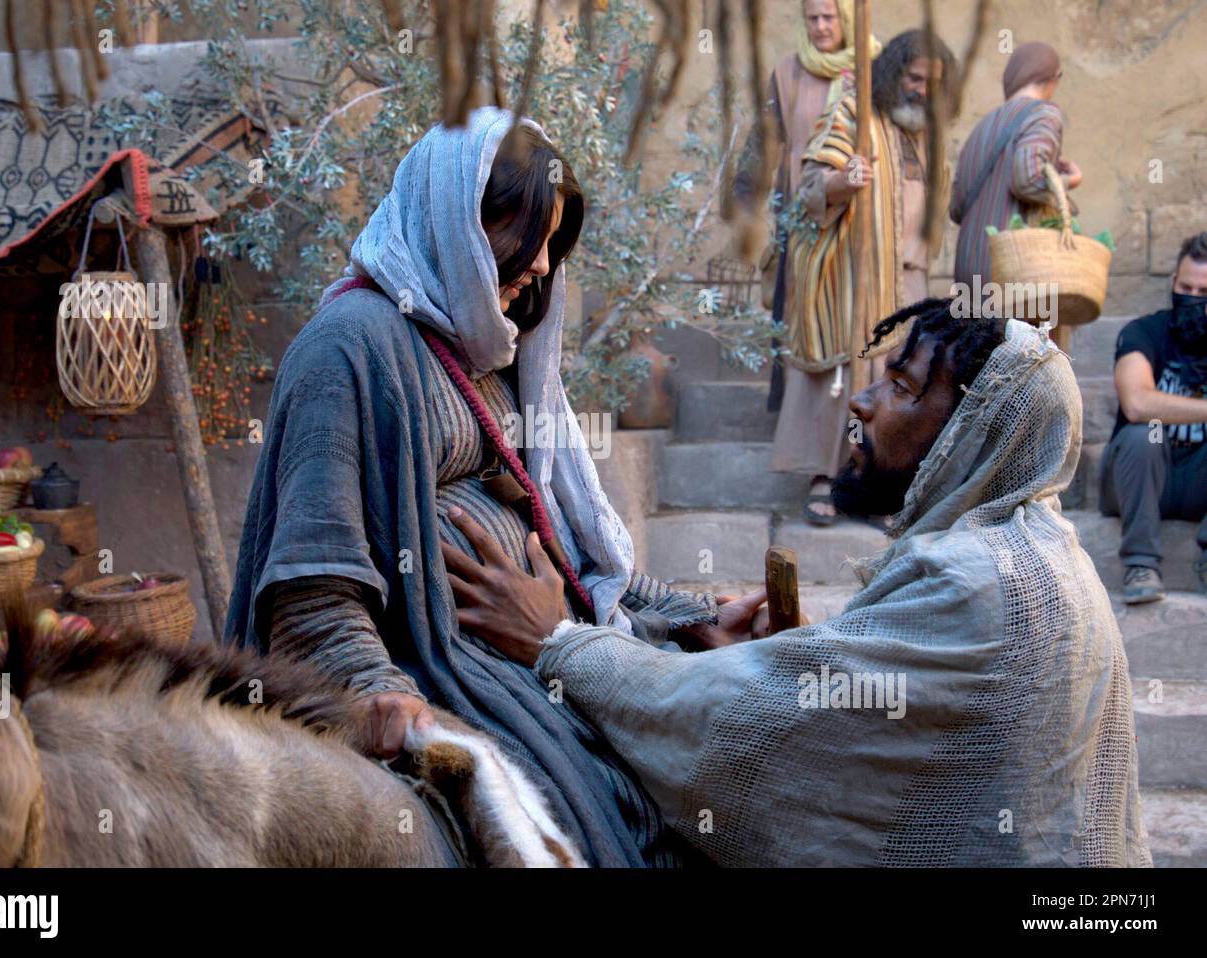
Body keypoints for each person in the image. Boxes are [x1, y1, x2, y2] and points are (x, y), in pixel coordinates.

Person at [223, 107, 752, 868]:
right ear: (455, 221)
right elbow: (314, 601)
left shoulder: (482, 351)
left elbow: (562, 540)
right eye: (524, 239)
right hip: (453, 683)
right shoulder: (346, 350)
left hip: (537, 660)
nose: (540, 265)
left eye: (549, 243)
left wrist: (681, 615)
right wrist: (394, 706)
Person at [444, 299, 1151, 867]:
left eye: (900, 387)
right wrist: (801, 653)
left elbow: (743, 722)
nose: (863, 403)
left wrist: (559, 641)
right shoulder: (1041, 549)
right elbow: (915, 714)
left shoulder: (973, 580)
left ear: (972, 435)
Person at [772, 30, 954, 527]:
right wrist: (842, 181)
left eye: (931, 83)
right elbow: (811, 186)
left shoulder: (928, 129)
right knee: (845, 377)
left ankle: (887, 489)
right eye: (914, 79)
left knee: (901, 378)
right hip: (852, 277)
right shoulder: (853, 114)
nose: (921, 90)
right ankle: (827, 478)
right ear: (894, 76)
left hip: (909, 279)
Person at [733, 0, 881, 421]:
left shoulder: (872, 67)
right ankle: (799, 421)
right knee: (797, 309)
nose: (819, 27)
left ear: (846, 19)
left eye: (828, 17)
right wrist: (744, 197)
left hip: (860, 215)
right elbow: (764, 142)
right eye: (812, 18)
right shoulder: (788, 73)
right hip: (804, 213)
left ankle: (864, 419)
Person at [1099, 232, 1207, 604]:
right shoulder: (1143, 332)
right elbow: (1137, 403)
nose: (1191, 298)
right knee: (1148, 433)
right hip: (1138, 477)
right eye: (1185, 287)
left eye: (1203, 292)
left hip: (1197, 480)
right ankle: (1141, 564)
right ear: (1173, 282)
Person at [950, 41, 1081, 290]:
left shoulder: (980, 129)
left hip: (968, 268)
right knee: (1022, 331)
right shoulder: (1044, 114)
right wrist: (1070, 181)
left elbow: (956, 208)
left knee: (976, 330)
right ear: (1054, 78)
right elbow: (1027, 181)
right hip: (1012, 269)